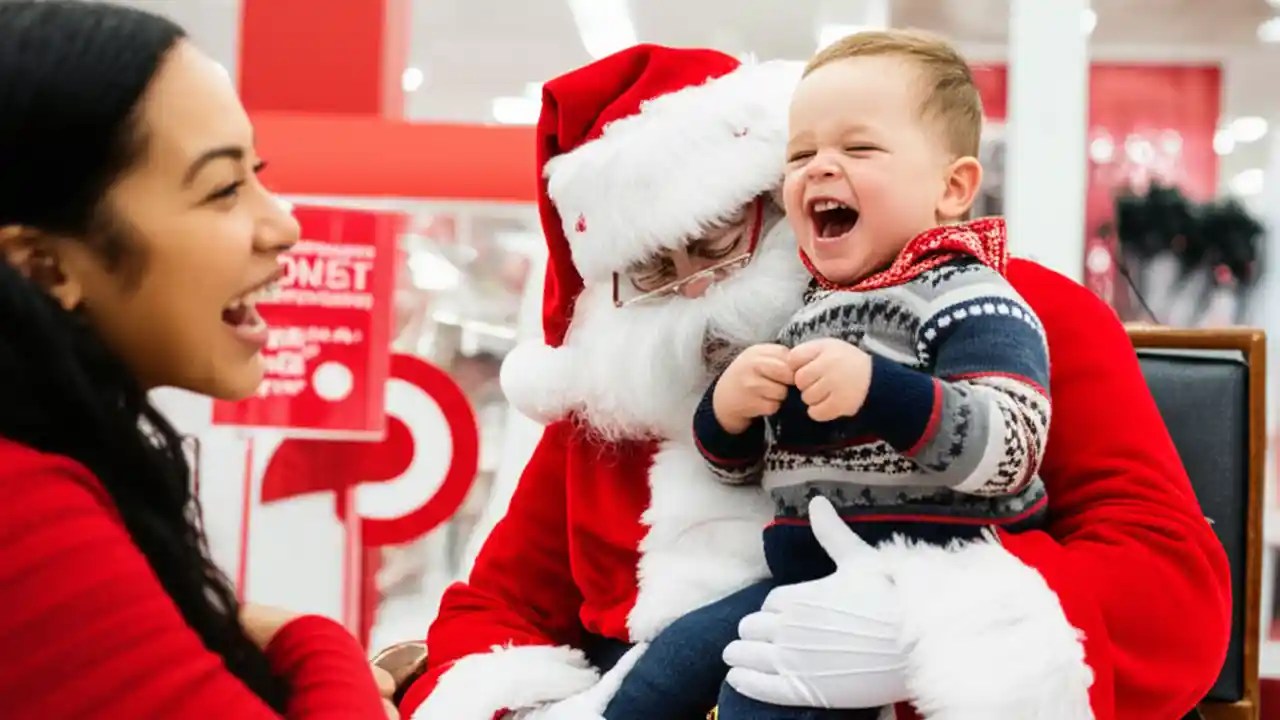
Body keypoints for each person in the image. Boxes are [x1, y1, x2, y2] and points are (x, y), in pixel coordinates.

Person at [393, 43, 1231, 720]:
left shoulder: (1013, 308)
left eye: (716, 239)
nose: (690, 291)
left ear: (772, 206)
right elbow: (493, 609)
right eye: (652, 267)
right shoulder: (620, 396)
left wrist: (927, 628)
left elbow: (1170, 583)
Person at [607, 30, 1051, 720]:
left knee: (759, 698)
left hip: (933, 585)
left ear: (953, 187)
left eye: (859, 148)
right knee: (664, 672)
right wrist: (727, 414)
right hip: (803, 579)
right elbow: (748, 473)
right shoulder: (807, 311)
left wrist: (880, 391)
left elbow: (1013, 450)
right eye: (801, 154)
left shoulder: (969, 295)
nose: (819, 168)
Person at [0, 2, 395, 717]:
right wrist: (314, 643)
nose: (285, 225)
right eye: (223, 189)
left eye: (258, 172)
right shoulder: (19, 509)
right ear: (42, 266)